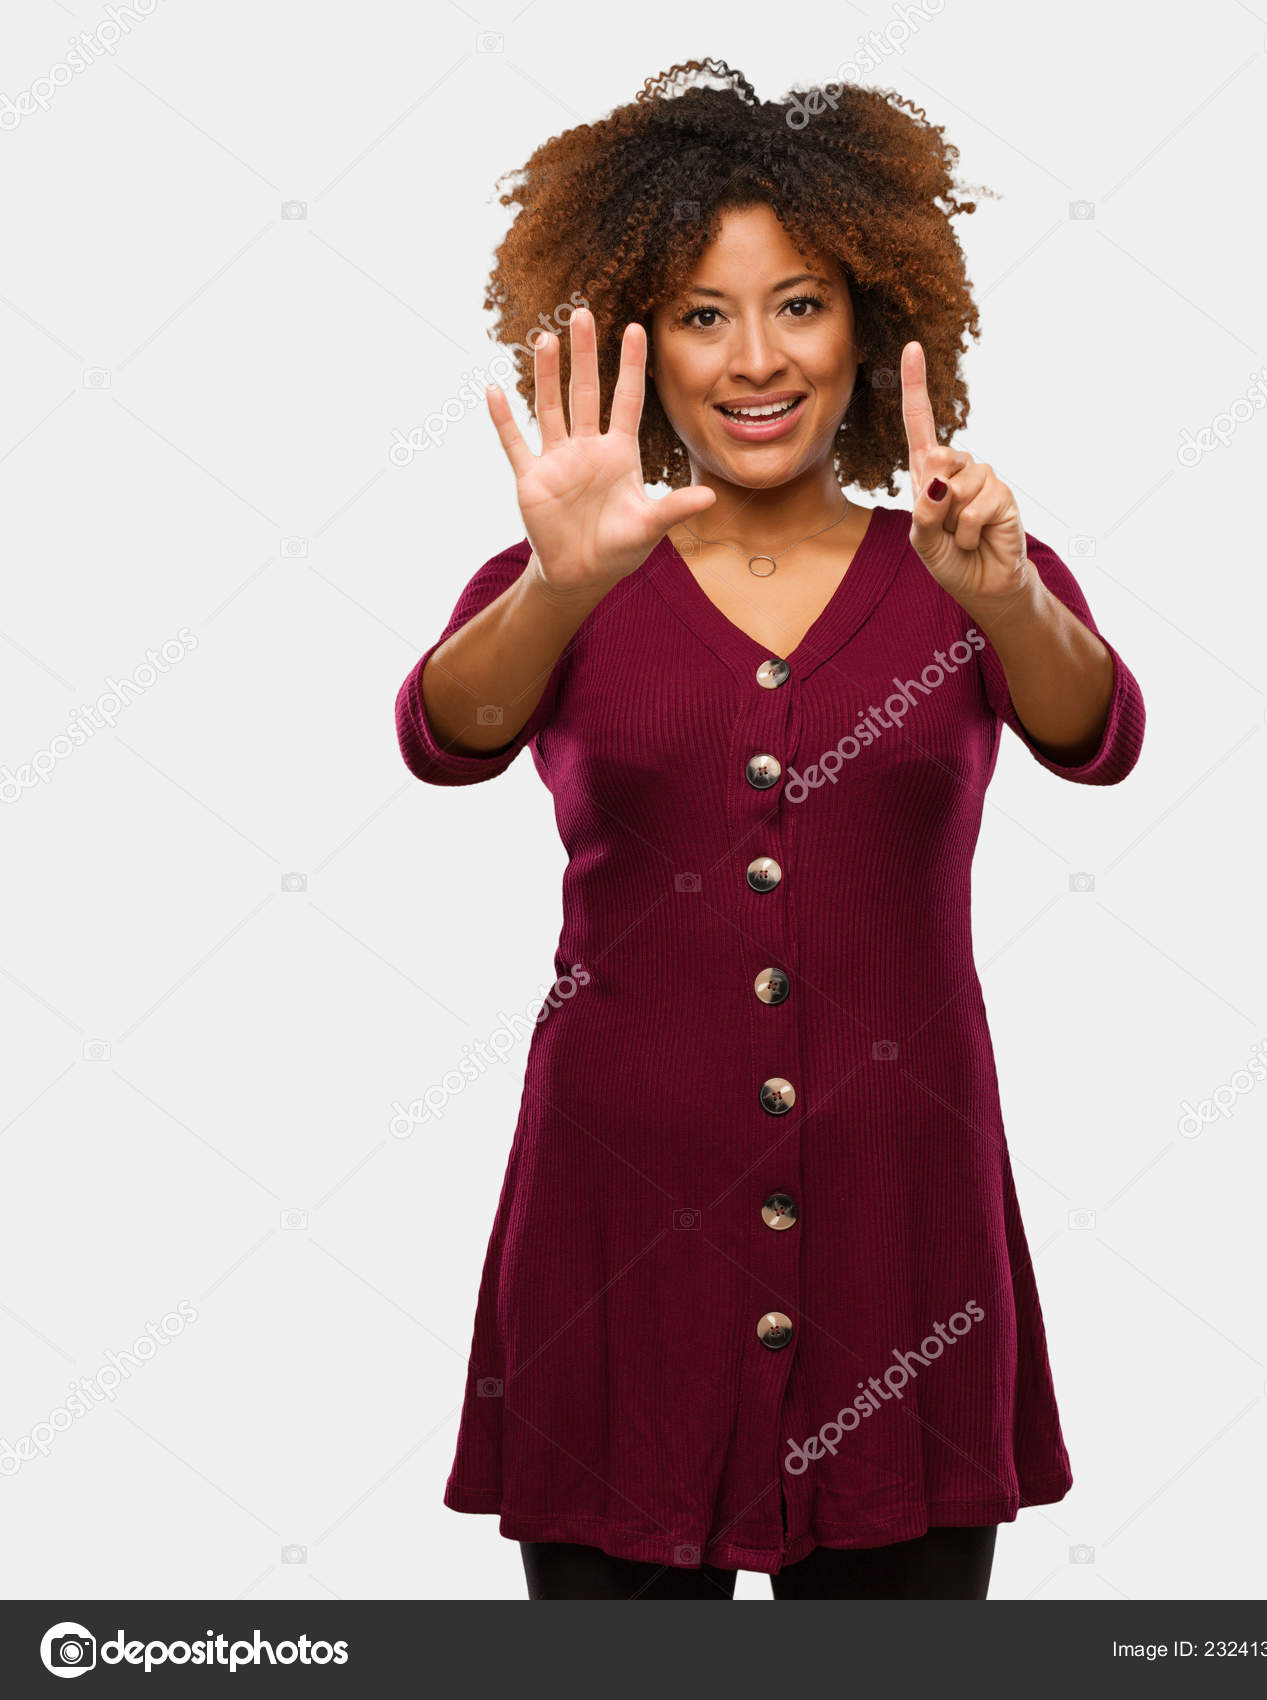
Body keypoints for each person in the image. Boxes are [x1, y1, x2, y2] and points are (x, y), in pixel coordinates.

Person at [395, 58, 1145, 1601]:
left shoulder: (965, 562)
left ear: (871, 322)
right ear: (639, 337)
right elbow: (442, 737)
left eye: (799, 305)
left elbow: (1100, 737)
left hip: (899, 1235)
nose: (756, 359)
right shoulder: (569, 577)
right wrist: (560, 588)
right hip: (619, 1232)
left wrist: (1008, 600)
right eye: (701, 314)